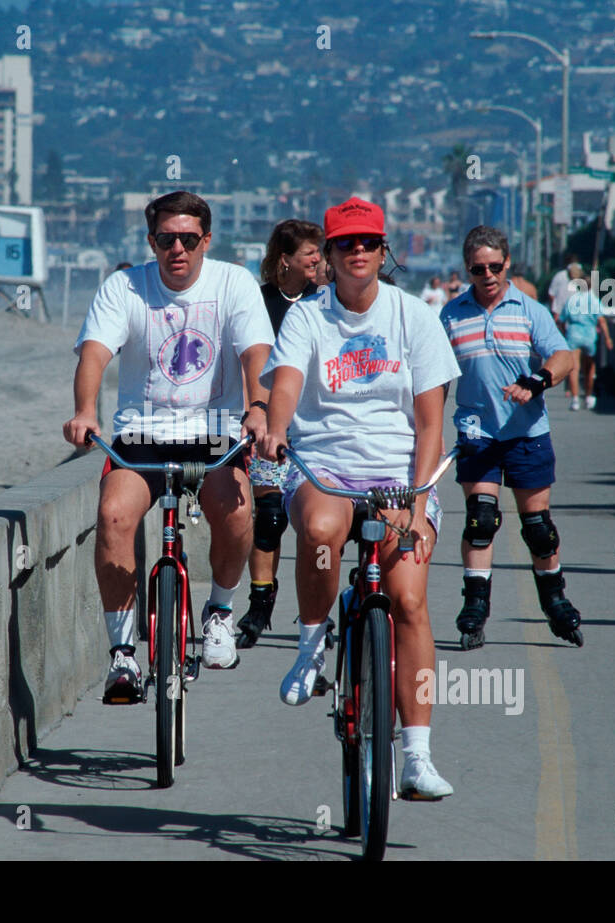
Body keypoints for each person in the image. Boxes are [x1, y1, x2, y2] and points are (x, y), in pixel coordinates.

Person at [259, 197, 461, 800]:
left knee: (409, 602)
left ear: (382, 249)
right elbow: (288, 382)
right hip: (325, 467)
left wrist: (418, 506)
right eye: (344, 243)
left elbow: (430, 426)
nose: (357, 253)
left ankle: (418, 755)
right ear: (330, 251)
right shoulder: (307, 316)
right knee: (320, 532)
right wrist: (274, 425)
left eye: (367, 242)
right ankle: (311, 647)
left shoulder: (413, 316)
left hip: (401, 479)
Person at [62, 191, 274, 702]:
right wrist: (86, 410)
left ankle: (219, 612)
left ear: (206, 240)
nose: (176, 249)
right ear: (151, 240)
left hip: (215, 432)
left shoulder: (233, 283)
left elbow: (256, 355)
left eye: (187, 239)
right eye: (165, 239)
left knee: (236, 511)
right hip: (142, 433)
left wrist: (259, 409)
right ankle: (122, 655)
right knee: (113, 515)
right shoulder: (126, 287)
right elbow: (95, 354)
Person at [439, 225, 581, 649]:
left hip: (526, 432)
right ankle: (475, 609)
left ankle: (555, 603)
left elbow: (564, 356)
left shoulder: (529, 309)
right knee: (481, 521)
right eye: (478, 268)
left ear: (507, 264)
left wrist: (536, 381)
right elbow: (433, 378)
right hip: (477, 431)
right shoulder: (450, 314)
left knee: (538, 529)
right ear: (467, 269)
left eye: (495, 267)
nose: (488, 275)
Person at [237, 218, 324, 649]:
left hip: (316, 428)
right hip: (270, 425)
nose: (318, 261)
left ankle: (319, 610)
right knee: (269, 519)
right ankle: (260, 604)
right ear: (284, 259)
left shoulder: (326, 301)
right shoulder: (259, 302)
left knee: (316, 525)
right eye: (310, 254)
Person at [558, 262, 614, 410]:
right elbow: (601, 320)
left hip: (573, 333)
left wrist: (564, 333)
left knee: (574, 368)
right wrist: (608, 338)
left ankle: (575, 399)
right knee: (589, 367)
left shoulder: (572, 300)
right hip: (589, 334)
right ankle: (588, 396)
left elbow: (562, 320)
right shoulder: (595, 300)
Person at [547, 252, 578, 319]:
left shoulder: (579, 276)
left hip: (569, 311)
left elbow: (551, 294)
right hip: (561, 311)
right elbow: (551, 294)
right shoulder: (560, 276)